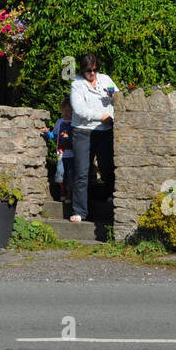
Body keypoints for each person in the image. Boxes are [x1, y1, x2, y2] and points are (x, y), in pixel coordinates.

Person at [68, 53, 115, 223]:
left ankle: (111, 198)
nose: (93, 73)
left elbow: (119, 98)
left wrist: (113, 96)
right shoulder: (77, 85)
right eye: (89, 70)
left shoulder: (106, 79)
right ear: (82, 70)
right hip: (82, 132)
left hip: (104, 131)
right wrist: (101, 116)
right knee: (82, 171)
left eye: (95, 70)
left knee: (107, 167)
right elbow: (79, 110)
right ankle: (79, 211)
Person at [49, 97, 73, 199]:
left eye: (68, 110)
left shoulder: (75, 122)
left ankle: (68, 194)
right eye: (63, 110)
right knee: (60, 172)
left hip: (72, 154)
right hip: (60, 153)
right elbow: (55, 136)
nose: (65, 113)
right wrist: (47, 133)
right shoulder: (59, 122)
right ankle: (62, 190)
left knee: (71, 175)